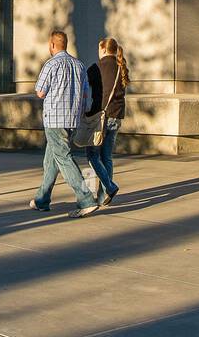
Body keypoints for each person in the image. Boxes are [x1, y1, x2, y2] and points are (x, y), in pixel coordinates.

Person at [29, 30, 99, 218]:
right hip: (72, 119)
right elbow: (86, 95)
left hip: (54, 119)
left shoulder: (51, 64)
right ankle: (42, 199)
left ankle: (86, 199)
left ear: (52, 45)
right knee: (51, 160)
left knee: (64, 158)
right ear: (65, 44)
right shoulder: (79, 65)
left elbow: (40, 92)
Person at [85, 37, 129, 206]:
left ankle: (109, 187)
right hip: (116, 117)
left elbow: (87, 92)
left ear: (103, 49)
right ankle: (104, 196)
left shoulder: (96, 68)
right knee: (107, 157)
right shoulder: (121, 67)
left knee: (92, 155)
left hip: (100, 118)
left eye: (99, 48)